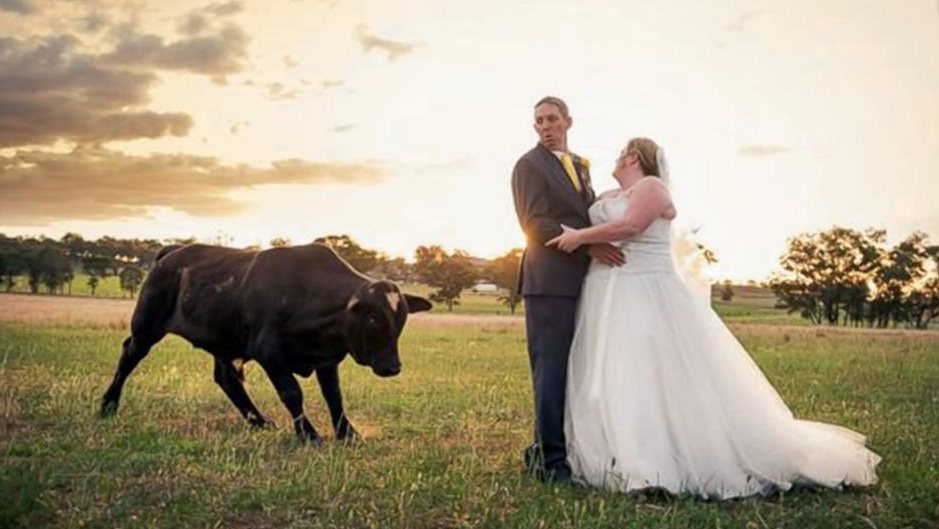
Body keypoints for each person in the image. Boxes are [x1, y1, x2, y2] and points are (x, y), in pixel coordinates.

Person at [546, 137, 881, 498]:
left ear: (634, 156)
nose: (616, 157)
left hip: (643, 291)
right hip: (602, 292)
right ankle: (611, 453)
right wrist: (587, 240)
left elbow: (630, 227)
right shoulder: (605, 196)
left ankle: (653, 460)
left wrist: (580, 237)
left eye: (622, 152)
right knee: (612, 370)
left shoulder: (652, 187)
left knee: (644, 370)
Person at [511, 96, 624, 483]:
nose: (546, 126)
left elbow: (584, 211)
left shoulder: (579, 165)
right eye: (539, 120)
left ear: (568, 122)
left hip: (582, 280)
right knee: (551, 371)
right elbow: (535, 223)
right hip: (548, 283)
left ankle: (543, 449)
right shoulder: (528, 166)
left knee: (574, 368)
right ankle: (552, 462)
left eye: (553, 119)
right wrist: (588, 244)